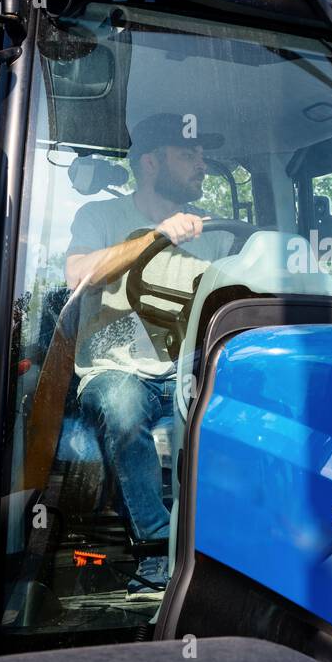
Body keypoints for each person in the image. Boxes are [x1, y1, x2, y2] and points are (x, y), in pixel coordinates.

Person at [64, 113, 233, 590]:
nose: (201, 164)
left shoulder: (216, 232)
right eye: (188, 154)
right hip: (115, 372)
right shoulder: (100, 217)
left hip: (188, 371)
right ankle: (162, 549)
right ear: (152, 162)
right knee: (122, 402)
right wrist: (156, 236)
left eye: (202, 154)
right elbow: (78, 275)